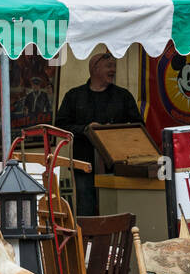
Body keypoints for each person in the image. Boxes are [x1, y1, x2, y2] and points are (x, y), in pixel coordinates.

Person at [54, 51, 143, 216]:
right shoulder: (74, 96)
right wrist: (85, 129)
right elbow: (60, 125)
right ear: (94, 68)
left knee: (115, 208)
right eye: (109, 66)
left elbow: (139, 127)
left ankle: (116, 240)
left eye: (114, 66)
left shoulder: (123, 96)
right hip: (84, 163)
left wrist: (114, 131)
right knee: (86, 207)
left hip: (116, 164)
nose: (113, 70)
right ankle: (87, 240)